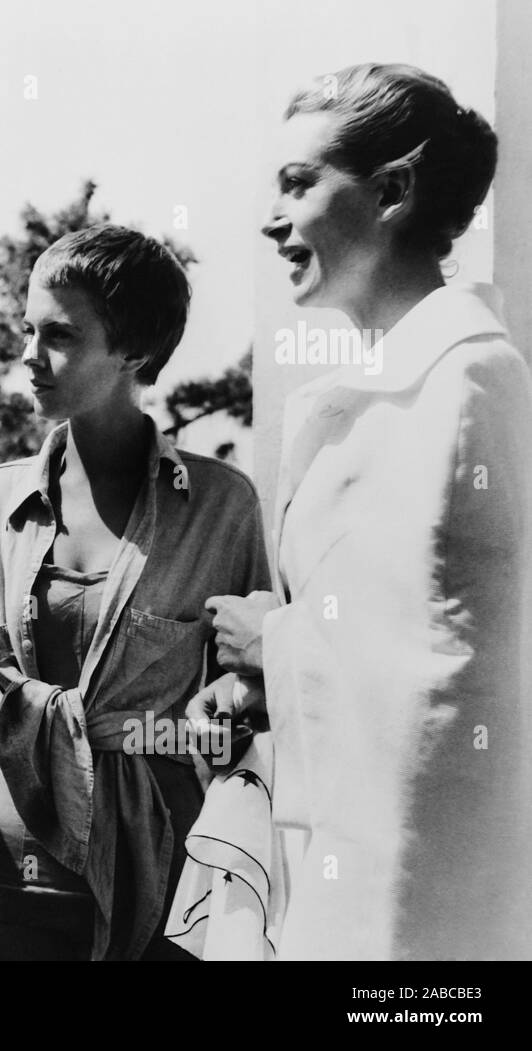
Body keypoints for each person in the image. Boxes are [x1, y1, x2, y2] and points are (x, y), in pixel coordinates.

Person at [205, 63, 532, 960]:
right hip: (347, 866)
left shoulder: (467, 383)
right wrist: (260, 678)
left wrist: (273, 645)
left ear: (392, 192)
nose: (272, 217)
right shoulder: (383, 385)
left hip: (417, 911)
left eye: (299, 183)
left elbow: (458, 687)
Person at [0, 224, 271, 961]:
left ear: (134, 352)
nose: (27, 355)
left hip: (165, 871)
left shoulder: (222, 505)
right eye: (26, 329)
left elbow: (256, 695)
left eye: (59, 335)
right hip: (11, 876)